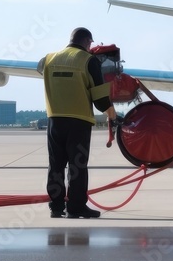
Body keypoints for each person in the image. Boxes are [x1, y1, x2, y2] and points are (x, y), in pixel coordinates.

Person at [38, 27, 117, 218]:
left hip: (55, 120)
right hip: (79, 121)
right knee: (77, 166)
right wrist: (112, 114)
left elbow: (41, 69)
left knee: (56, 165)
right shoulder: (88, 61)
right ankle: (76, 207)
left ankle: (56, 207)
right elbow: (100, 99)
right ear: (87, 41)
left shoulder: (48, 59)